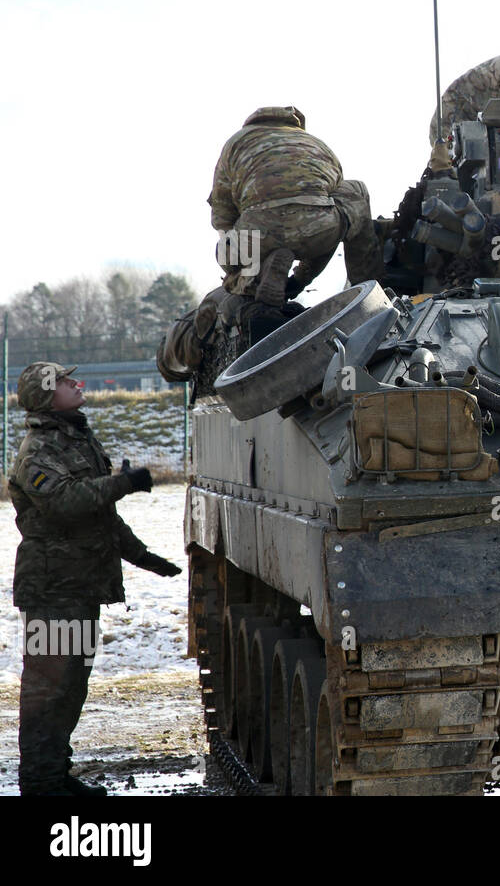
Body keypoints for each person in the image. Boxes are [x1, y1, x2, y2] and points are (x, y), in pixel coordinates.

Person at [9, 362, 181, 796]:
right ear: (49, 396)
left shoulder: (75, 438)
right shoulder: (38, 451)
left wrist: (146, 558)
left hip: (80, 586)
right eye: (66, 382)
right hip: (53, 590)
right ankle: (40, 785)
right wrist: (121, 483)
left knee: (70, 689)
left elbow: (100, 517)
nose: (77, 384)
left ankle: (55, 775)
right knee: (48, 691)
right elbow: (67, 502)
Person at [208, 106, 384, 317]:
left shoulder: (235, 144)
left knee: (226, 249)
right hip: (317, 229)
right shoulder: (316, 143)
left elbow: (222, 214)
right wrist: (302, 278)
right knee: (352, 197)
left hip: (259, 232)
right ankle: (366, 288)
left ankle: (253, 283)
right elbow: (338, 202)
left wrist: (237, 250)